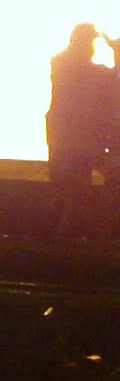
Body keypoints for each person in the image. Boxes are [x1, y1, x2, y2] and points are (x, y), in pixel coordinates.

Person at [45, 24, 120, 237]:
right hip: (81, 143)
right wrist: (117, 52)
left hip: (60, 139)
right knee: (79, 192)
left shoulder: (60, 63)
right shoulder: (93, 74)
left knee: (64, 191)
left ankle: (56, 239)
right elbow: (114, 82)